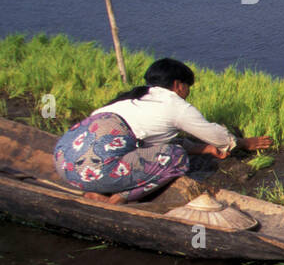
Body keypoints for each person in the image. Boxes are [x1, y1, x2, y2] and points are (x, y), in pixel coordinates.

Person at [52, 58, 272, 205]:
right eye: (188, 87)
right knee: (177, 158)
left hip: (64, 162)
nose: (187, 93)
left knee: (163, 150)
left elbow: (145, 143)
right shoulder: (174, 104)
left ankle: (98, 188)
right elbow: (215, 134)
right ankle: (119, 197)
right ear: (178, 85)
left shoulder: (128, 100)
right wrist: (243, 143)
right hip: (96, 169)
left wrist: (203, 149)